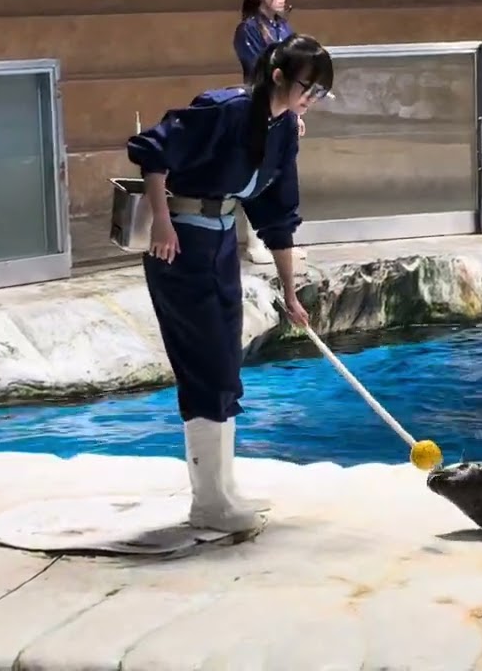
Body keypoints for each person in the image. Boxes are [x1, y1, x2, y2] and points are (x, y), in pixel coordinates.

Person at [125, 34, 333, 534]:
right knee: (207, 363)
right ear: (280, 76)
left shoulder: (283, 132)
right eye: (308, 87)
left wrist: (290, 291)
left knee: (225, 362)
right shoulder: (224, 110)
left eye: (320, 93)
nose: (311, 100)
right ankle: (208, 502)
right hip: (179, 245)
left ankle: (223, 487)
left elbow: (278, 215)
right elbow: (154, 150)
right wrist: (161, 220)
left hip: (219, 246)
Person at [233, 0, 311, 265]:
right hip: (260, 109)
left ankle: (283, 240)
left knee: (285, 174)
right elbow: (261, 72)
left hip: (286, 110)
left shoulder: (284, 29)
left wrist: (297, 108)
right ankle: (257, 241)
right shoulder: (248, 30)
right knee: (259, 171)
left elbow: (297, 71)